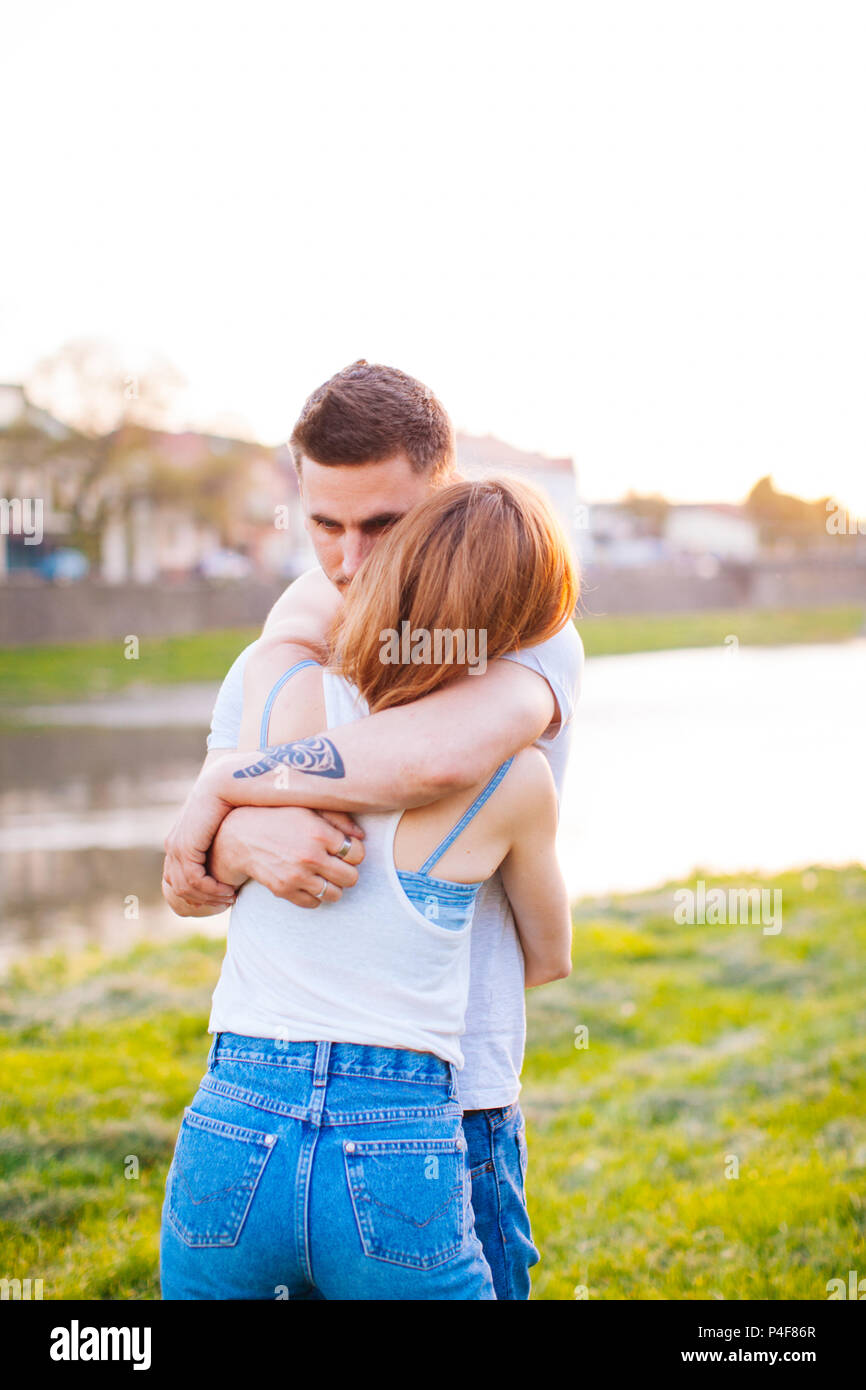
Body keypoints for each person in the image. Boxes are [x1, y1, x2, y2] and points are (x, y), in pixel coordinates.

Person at [163, 360, 584, 1297]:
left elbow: (432, 758)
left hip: (457, 1094)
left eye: (382, 526)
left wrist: (234, 786)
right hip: (318, 1103)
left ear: (446, 492)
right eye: (324, 525)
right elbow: (189, 878)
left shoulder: (531, 628)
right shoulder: (293, 638)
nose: (350, 563)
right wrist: (235, 838)